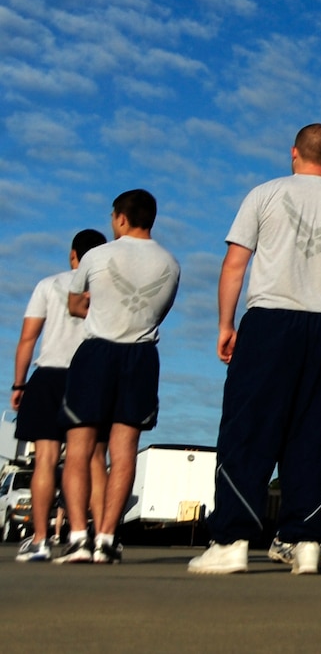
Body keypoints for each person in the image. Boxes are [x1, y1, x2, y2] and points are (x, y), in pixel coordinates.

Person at [190, 123, 321, 576]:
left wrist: (226, 324)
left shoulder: (264, 194)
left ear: (294, 152)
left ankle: (231, 541)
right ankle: (306, 541)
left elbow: (235, 264)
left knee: (248, 428)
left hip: (270, 318)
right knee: (312, 434)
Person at [53, 192, 178, 566]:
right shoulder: (171, 264)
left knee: (79, 447)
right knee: (124, 452)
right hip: (141, 355)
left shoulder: (96, 255)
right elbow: (159, 313)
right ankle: (107, 538)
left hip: (98, 352)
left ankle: (78, 538)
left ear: (121, 218)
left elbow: (75, 304)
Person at [12, 228, 106, 562]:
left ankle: (41, 540)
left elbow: (28, 338)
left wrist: (19, 384)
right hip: (90, 374)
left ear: (72, 255)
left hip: (50, 374)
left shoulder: (48, 285)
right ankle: (100, 539)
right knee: (95, 460)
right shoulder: (106, 289)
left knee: (45, 460)